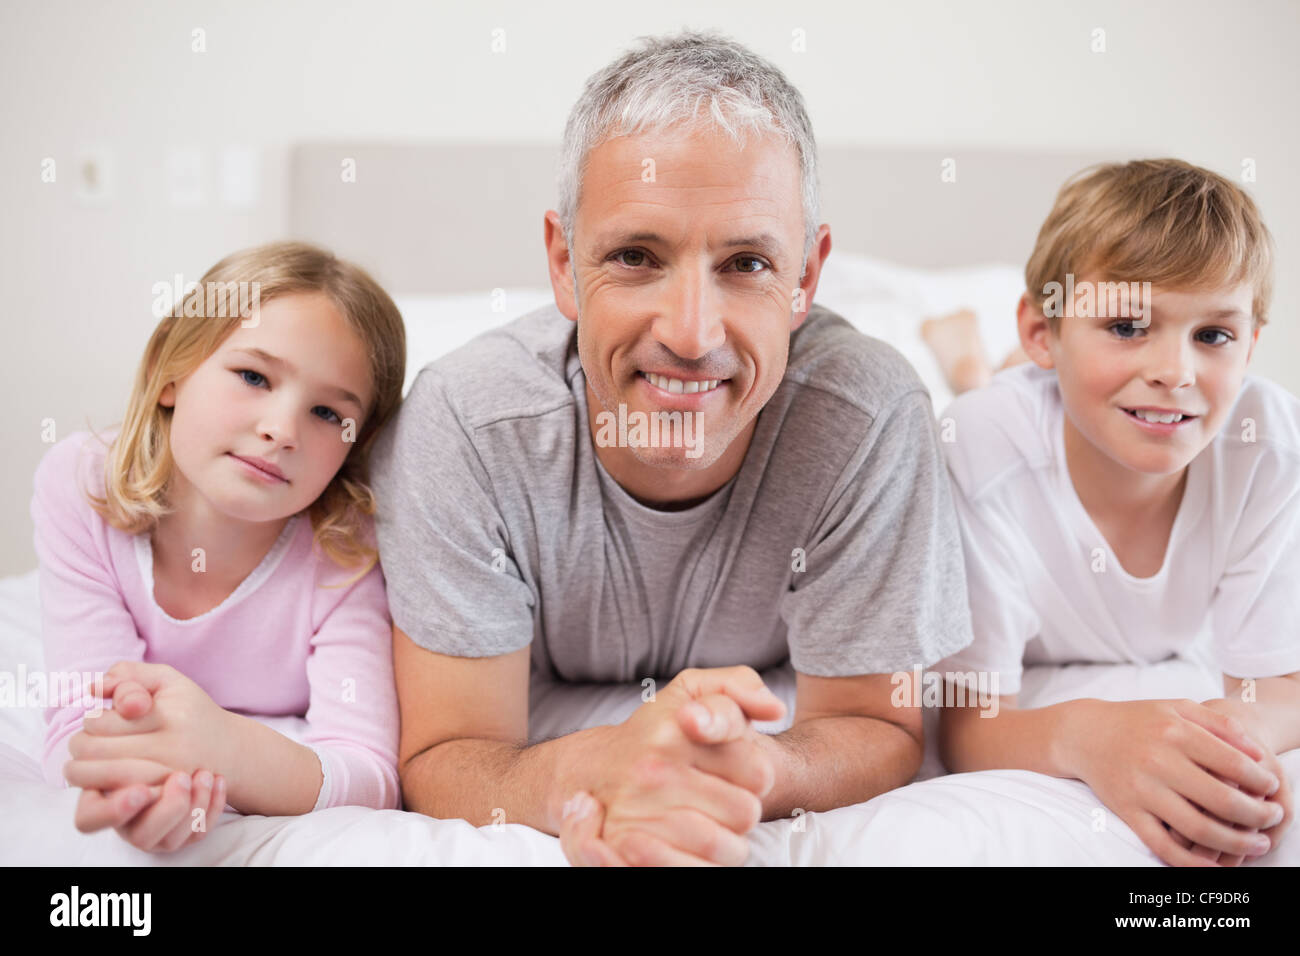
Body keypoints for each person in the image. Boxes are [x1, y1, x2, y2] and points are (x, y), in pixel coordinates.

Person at [371, 30, 975, 867]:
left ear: (805, 276)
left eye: (747, 262)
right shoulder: (465, 427)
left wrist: (749, 768)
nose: (691, 335)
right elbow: (445, 759)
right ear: (561, 263)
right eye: (635, 256)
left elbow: (877, 725)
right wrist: (604, 766)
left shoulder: (867, 418)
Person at [934, 159, 1299, 866]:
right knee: (990, 396)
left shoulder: (1269, 447)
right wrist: (1092, 735)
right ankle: (962, 355)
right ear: (1045, 329)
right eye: (1129, 325)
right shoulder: (979, 449)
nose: (1177, 372)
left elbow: (1279, 687)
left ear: (1252, 344)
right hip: (1022, 403)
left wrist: (1216, 743)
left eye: (1213, 336)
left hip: (1074, 398)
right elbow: (966, 724)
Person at [33, 240, 407, 852]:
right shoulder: (80, 485)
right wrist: (144, 793)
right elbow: (79, 725)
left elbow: (368, 775)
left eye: (325, 413)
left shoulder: (349, 548)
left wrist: (225, 751)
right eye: (253, 376)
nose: (281, 431)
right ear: (170, 372)